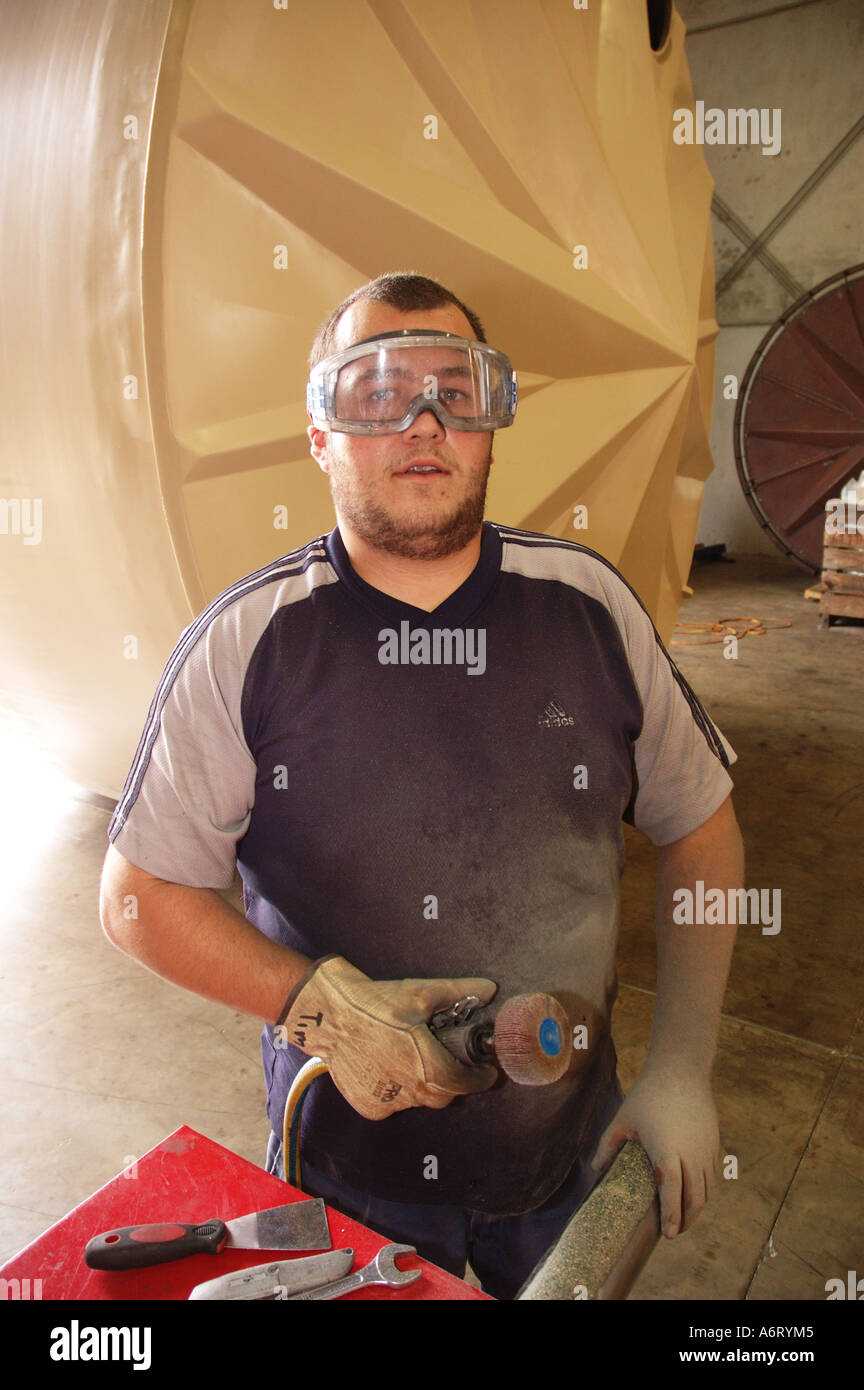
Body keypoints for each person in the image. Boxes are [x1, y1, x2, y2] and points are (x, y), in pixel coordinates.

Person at [100, 271, 744, 1300]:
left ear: (495, 425)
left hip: (572, 1158)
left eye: (459, 387)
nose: (424, 420)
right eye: (376, 392)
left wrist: (681, 1070)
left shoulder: (590, 610)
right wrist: (317, 1005)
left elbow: (701, 829)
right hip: (351, 1187)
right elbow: (137, 897)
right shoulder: (247, 646)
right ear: (319, 435)